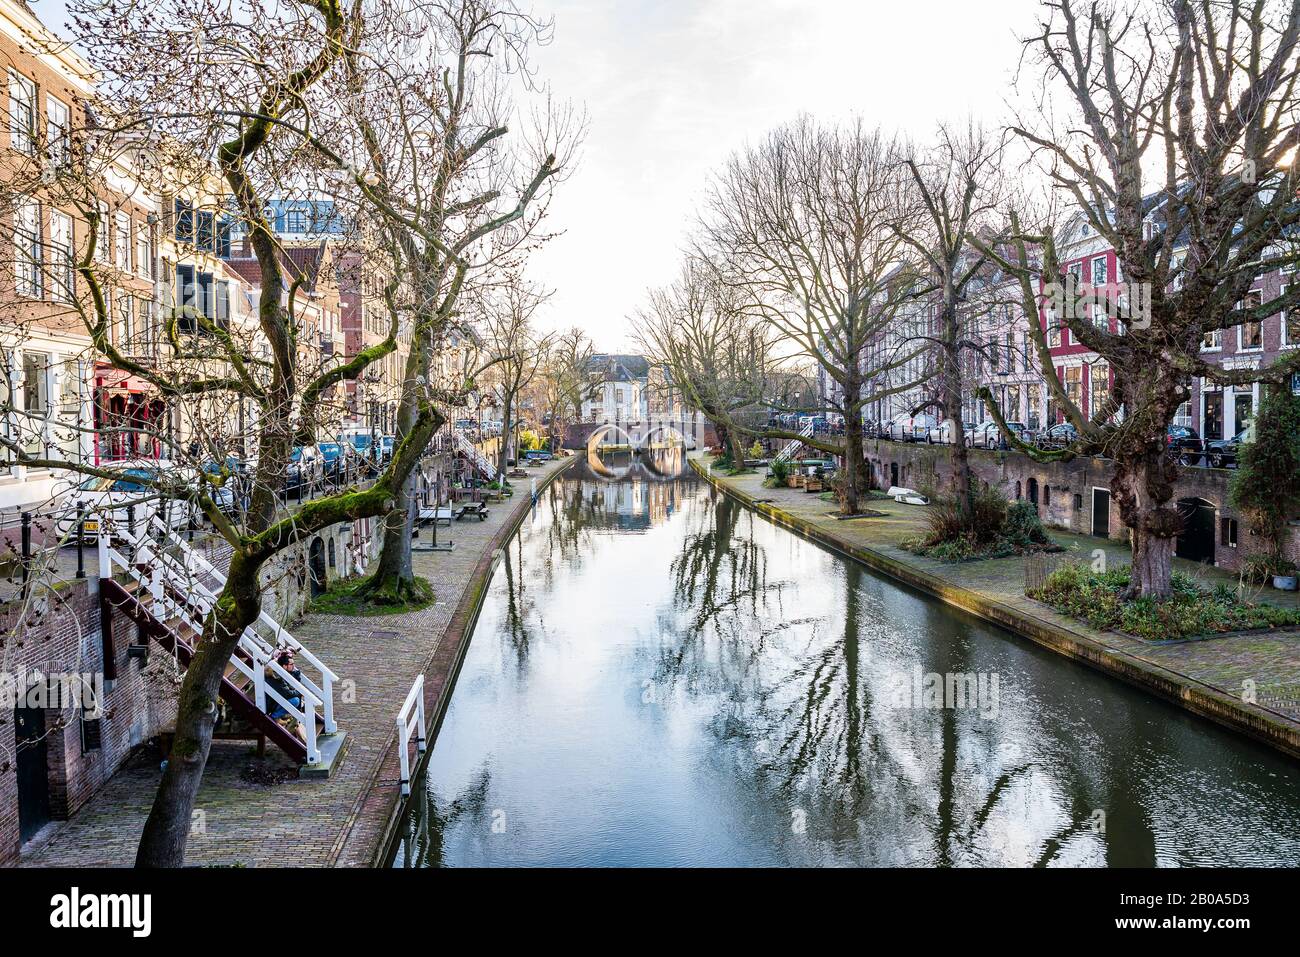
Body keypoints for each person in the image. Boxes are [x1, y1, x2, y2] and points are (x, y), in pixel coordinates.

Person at [265, 649, 306, 743]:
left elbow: (292, 686)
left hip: (278, 700)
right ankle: (275, 716)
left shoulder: (283, 673)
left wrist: (296, 673)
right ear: (284, 666)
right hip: (272, 704)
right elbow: (287, 693)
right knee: (296, 700)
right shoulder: (277, 677)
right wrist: (300, 693)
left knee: (298, 699)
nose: (294, 666)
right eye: (291, 664)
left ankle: (286, 717)